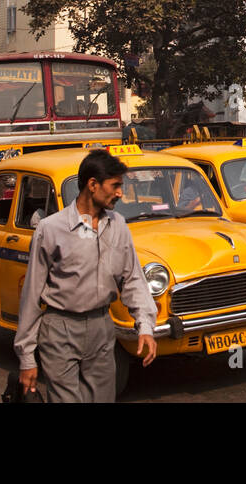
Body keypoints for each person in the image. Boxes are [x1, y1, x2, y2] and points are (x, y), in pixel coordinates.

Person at [15, 150, 157, 402]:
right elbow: (31, 296)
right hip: (59, 329)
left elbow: (133, 279)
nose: (120, 194)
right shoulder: (50, 229)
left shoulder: (119, 226)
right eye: (115, 186)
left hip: (102, 326)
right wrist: (27, 357)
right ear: (92, 185)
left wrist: (145, 326)